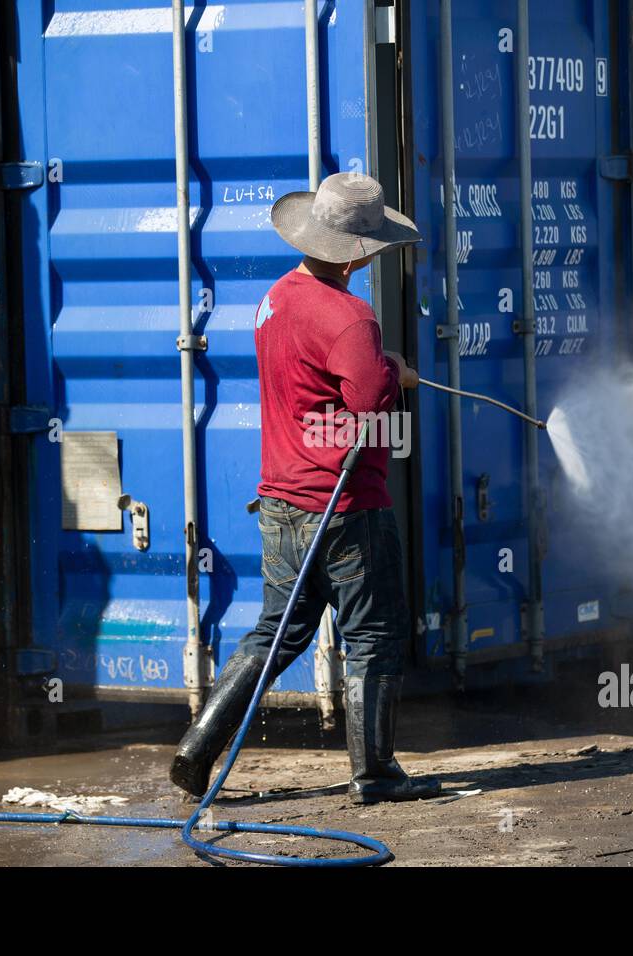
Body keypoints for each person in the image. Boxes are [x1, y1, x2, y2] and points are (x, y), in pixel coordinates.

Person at [169, 172, 441, 805]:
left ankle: (196, 749)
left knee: (276, 631)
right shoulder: (351, 316)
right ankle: (374, 775)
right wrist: (396, 372)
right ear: (365, 251)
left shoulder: (276, 299)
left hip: (282, 502)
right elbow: (369, 400)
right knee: (373, 633)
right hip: (346, 507)